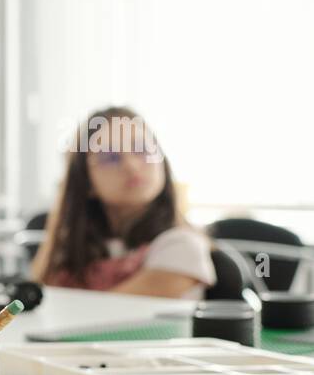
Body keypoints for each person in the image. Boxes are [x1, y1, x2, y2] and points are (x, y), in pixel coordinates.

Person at [30, 106, 216, 299]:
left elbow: (104, 316)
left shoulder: (182, 246)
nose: (131, 165)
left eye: (143, 150)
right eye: (110, 157)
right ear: (86, 182)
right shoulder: (69, 252)